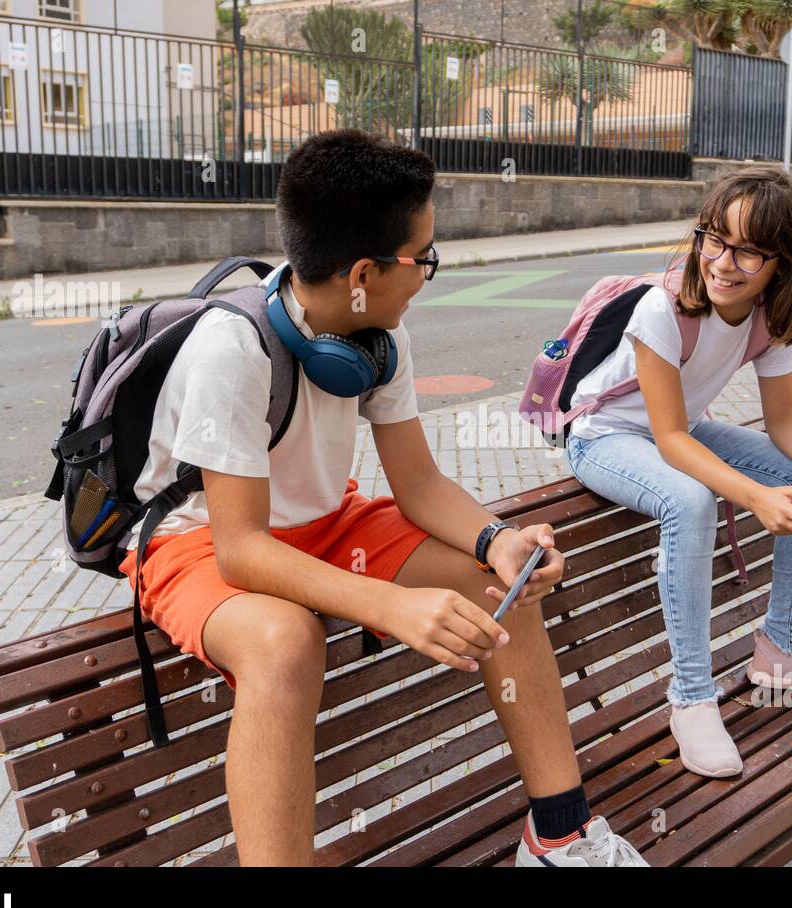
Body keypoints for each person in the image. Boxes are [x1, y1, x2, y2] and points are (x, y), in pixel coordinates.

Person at [121, 129, 645, 866]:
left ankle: (559, 836)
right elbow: (241, 551)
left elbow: (421, 486)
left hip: (328, 522)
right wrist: (389, 605)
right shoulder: (229, 349)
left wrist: (499, 540)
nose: (430, 272)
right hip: (199, 542)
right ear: (364, 270)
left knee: (505, 582)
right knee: (285, 643)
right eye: (424, 258)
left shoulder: (381, 335)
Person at [563, 168, 792, 780]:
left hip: (680, 427)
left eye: (749, 251)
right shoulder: (664, 305)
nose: (723, 262)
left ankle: (783, 649)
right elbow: (671, 440)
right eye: (715, 238)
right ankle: (691, 698)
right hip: (605, 435)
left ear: (782, 263)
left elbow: (786, 422)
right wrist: (757, 497)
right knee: (690, 503)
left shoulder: (770, 317)